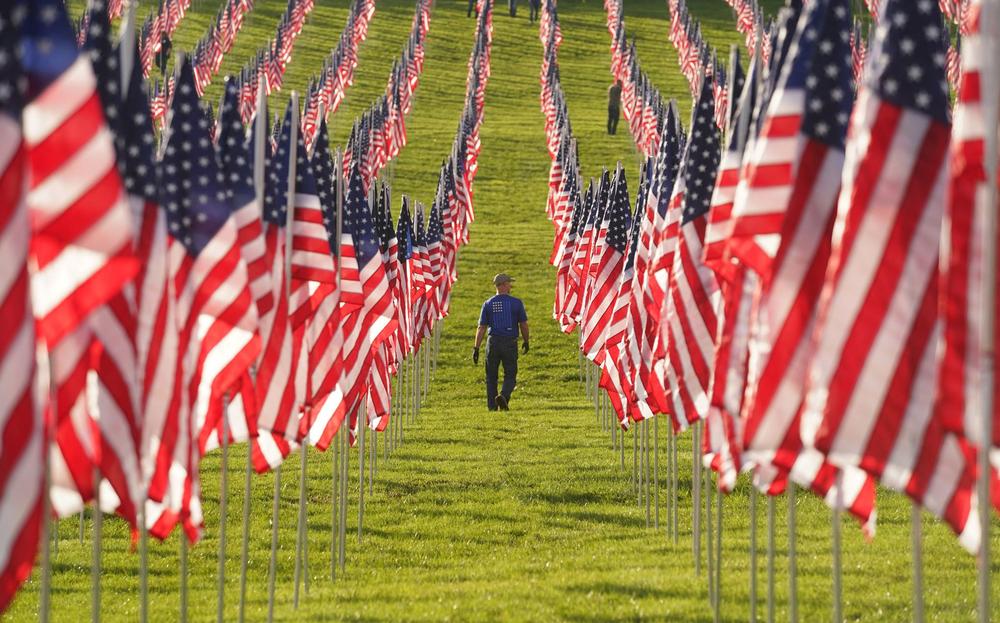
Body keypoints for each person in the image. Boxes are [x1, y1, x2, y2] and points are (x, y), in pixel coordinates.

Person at [473, 273, 529, 411]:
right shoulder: (516, 303)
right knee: (510, 374)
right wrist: (526, 340)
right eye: (509, 283)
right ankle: (503, 396)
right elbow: (523, 324)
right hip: (509, 342)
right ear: (503, 285)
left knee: (491, 376)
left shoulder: (488, 304)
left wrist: (476, 347)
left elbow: (482, 327)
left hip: (493, 342)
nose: (510, 285)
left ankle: (492, 407)